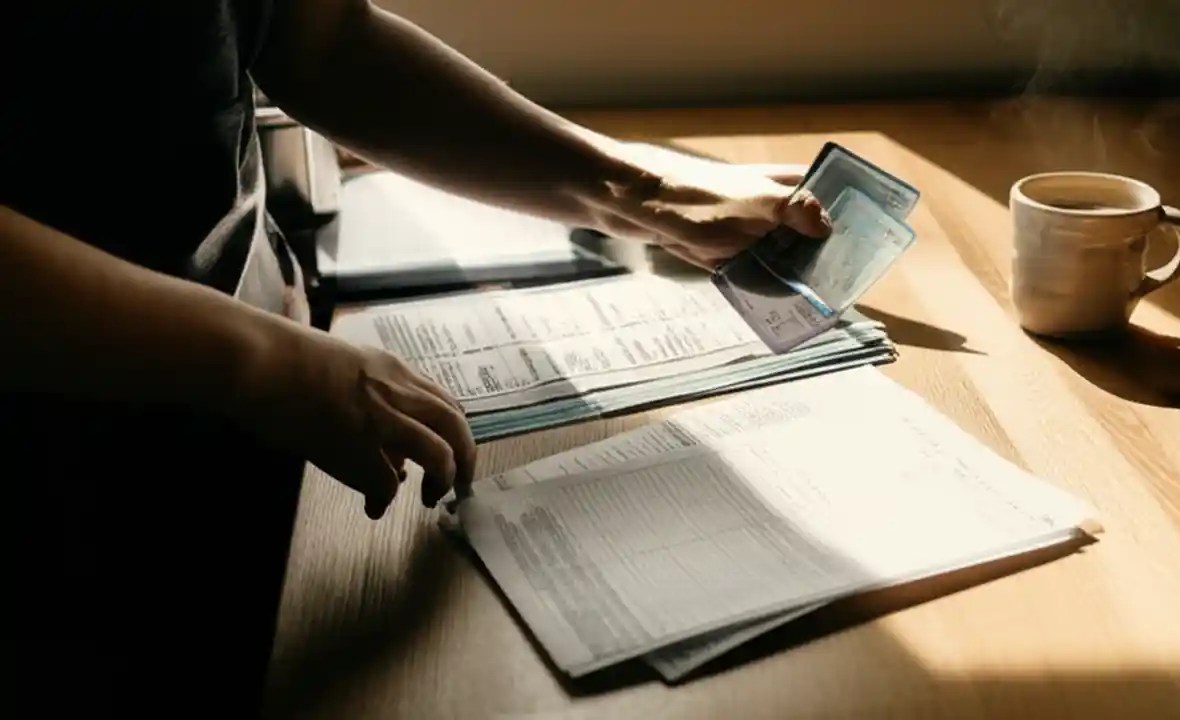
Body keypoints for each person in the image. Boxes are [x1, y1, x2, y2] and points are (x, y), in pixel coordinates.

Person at [1, 1, 831, 714]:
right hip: (60, 491)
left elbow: (324, 42)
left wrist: (641, 190)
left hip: (266, 389)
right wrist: (251, 359)